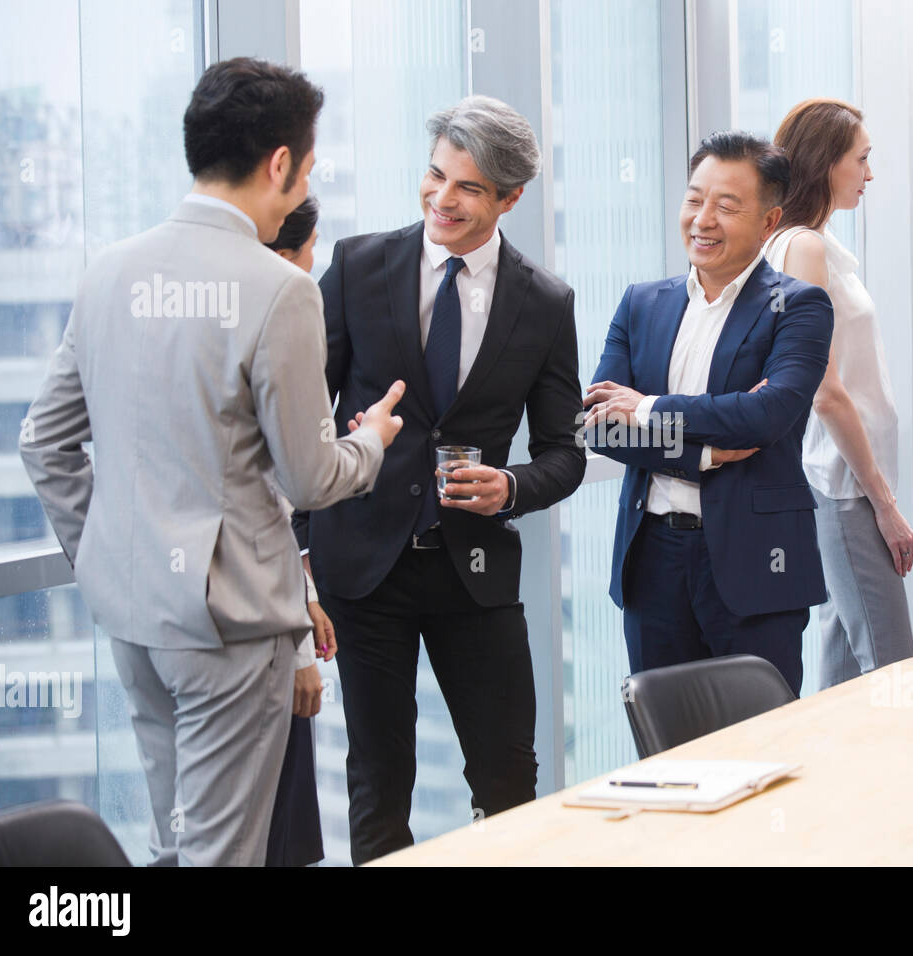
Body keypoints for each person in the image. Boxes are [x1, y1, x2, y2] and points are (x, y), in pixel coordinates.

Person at [19, 58, 405, 866]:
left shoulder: (109, 271)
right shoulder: (277, 289)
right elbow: (309, 477)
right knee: (224, 856)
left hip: (135, 614)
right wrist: (370, 441)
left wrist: (103, 556)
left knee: (179, 842)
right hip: (229, 627)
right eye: (306, 167)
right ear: (280, 166)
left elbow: (44, 443)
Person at [292, 95, 585, 865]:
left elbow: (565, 452)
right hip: (362, 567)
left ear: (510, 198)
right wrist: (301, 559)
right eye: (435, 176)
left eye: (469, 188)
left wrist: (511, 487)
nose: (442, 200)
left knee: (507, 778)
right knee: (379, 779)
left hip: (475, 574)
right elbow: (294, 422)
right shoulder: (358, 267)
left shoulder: (547, 303)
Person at [584, 131, 833, 695]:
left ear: (769, 222)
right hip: (653, 561)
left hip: (755, 562)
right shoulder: (642, 302)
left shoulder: (798, 305)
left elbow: (768, 415)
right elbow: (599, 423)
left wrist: (646, 406)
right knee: (665, 750)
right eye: (695, 200)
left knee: (761, 743)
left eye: (726, 206)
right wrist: (701, 449)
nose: (703, 219)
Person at [763, 98, 913, 688]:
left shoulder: (806, 245)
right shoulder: (803, 247)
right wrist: (884, 503)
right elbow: (824, 389)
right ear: (826, 163)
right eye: (862, 159)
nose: (869, 175)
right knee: (893, 671)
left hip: (841, 481)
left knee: (845, 669)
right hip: (844, 485)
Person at [262, 194, 327, 867]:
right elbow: (284, 493)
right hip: (255, 638)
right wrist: (301, 653)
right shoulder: (278, 317)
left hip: (165, 626)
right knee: (276, 837)